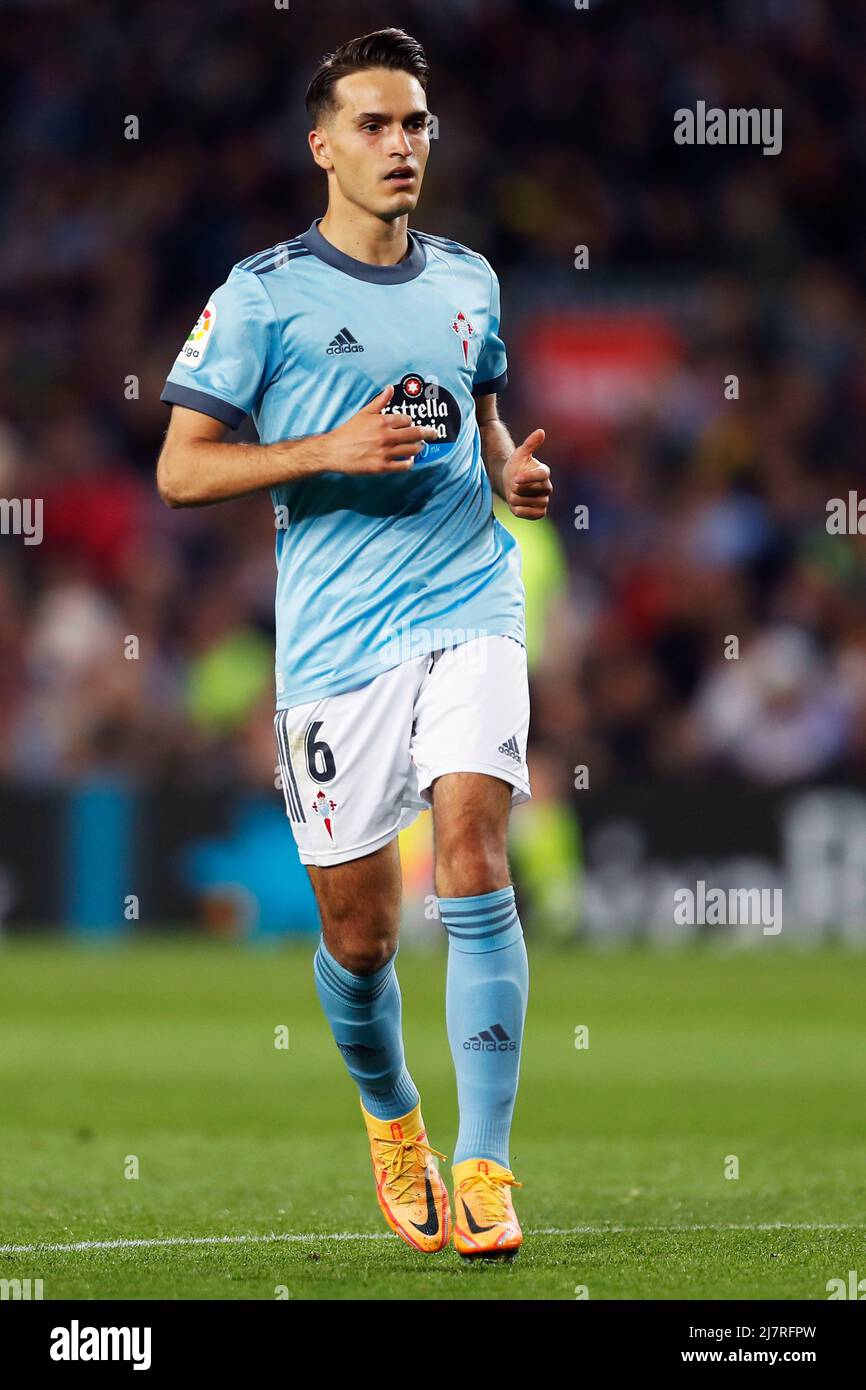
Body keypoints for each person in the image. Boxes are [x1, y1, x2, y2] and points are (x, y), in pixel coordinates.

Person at [157, 27, 552, 1259]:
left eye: (416, 123)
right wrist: (323, 450)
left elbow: (482, 401)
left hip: (466, 601)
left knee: (475, 853)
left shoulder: (471, 280)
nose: (401, 145)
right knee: (360, 935)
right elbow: (178, 470)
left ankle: (486, 1163)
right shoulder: (263, 294)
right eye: (375, 125)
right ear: (321, 144)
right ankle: (393, 1117)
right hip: (335, 649)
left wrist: (505, 468)